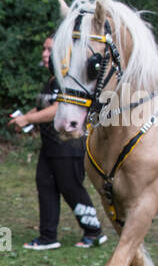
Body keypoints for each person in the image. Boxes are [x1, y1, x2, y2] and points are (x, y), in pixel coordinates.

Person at [10, 37, 106, 249]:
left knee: (71, 188)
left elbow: (57, 110)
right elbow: (46, 107)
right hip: (49, 146)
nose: (45, 54)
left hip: (68, 145)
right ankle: (48, 237)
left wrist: (28, 120)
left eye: (49, 50)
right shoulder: (52, 80)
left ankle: (94, 231)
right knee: (45, 186)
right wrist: (25, 118)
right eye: (44, 49)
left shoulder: (68, 81)